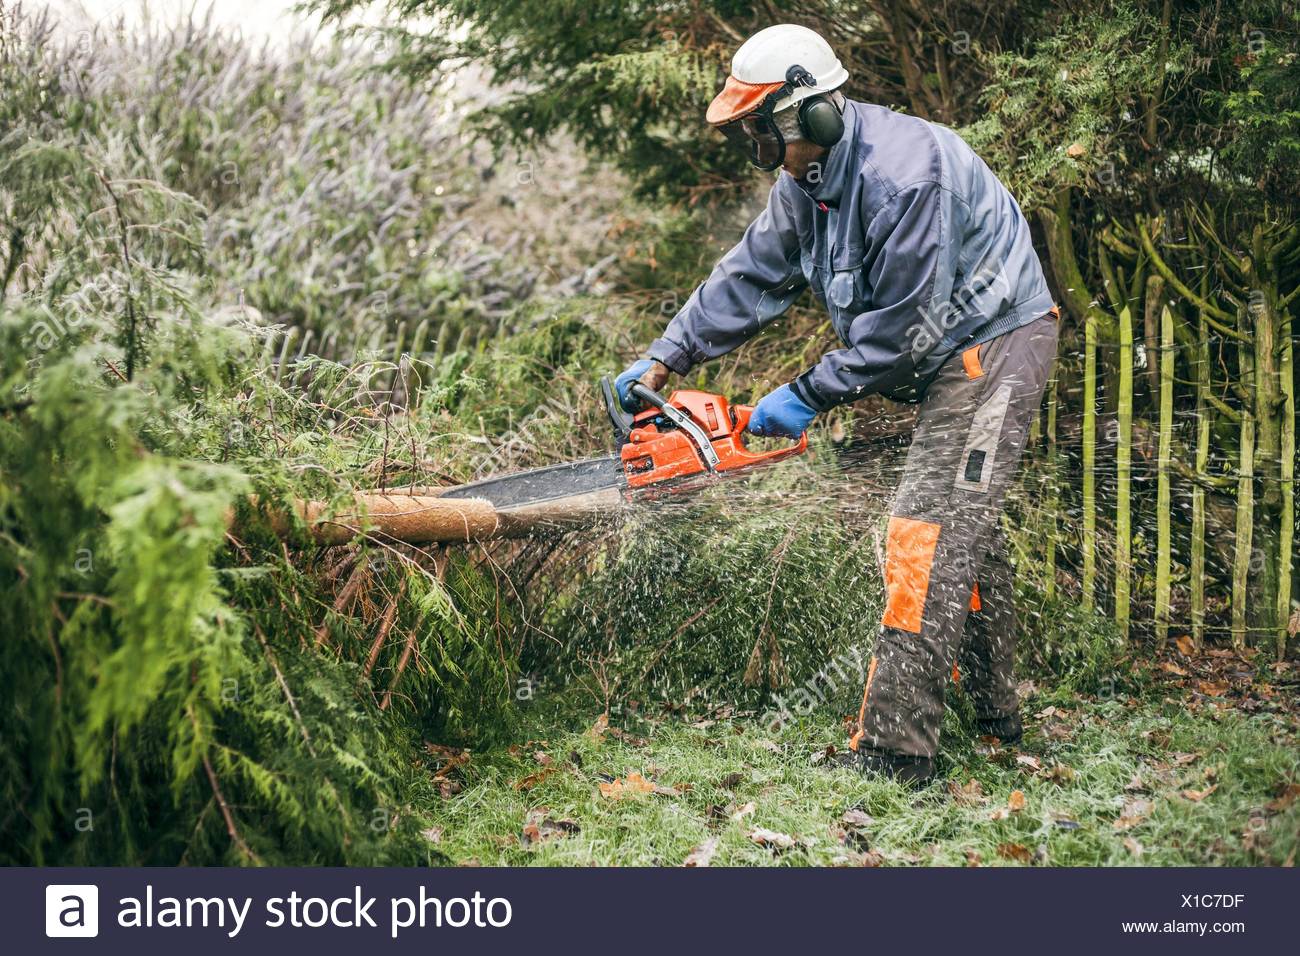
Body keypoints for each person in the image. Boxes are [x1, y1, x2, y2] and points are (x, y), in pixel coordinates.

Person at [614, 23, 1059, 785]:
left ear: (809, 114)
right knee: (964, 533)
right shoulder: (809, 182)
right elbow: (751, 273)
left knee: (923, 534)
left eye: (762, 129)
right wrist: (668, 354)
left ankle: (896, 752)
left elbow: (904, 335)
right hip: (937, 351)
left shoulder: (906, 178)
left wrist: (806, 393)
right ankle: (995, 716)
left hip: (993, 344)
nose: (756, 146)